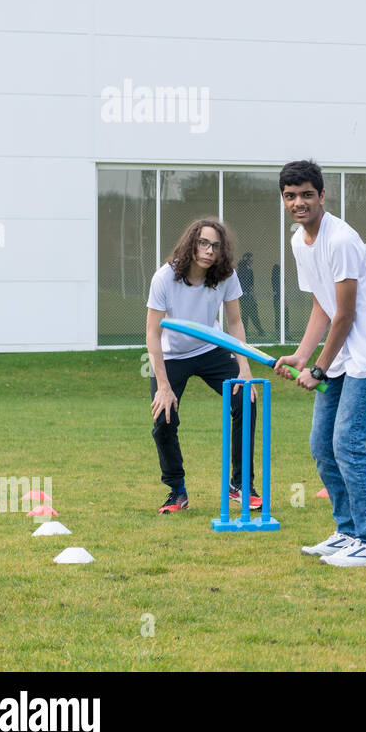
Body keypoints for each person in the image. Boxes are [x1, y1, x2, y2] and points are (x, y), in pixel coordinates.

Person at [273, 160, 366, 567]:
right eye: (290, 196)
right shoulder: (300, 242)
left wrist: (318, 368)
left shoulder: (341, 240)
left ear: (322, 196)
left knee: (348, 443)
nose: (299, 203)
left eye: (306, 195)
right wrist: (301, 355)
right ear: (284, 200)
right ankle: (347, 531)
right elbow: (322, 306)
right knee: (322, 446)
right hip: (342, 352)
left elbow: (345, 314)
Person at [145, 218, 261, 514]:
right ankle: (177, 490)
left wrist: (244, 369)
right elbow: (152, 334)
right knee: (164, 418)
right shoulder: (165, 277)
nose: (209, 251)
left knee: (244, 401)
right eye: (203, 243)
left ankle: (240, 485)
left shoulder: (225, 276)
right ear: (191, 243)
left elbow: (235, 323)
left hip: (210, 349)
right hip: (171, 355)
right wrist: (163, 386)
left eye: (216, 246)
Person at [236, 252, 265, 339]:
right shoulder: (248, 270)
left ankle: (245, 332)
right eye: (251, 259)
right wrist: (254, 295)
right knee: (254, 313)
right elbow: (251, 285)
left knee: (245, 314)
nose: (252, 260)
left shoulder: (240, 269)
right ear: (248, 260)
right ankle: (260, 331)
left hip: (242, 295)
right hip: (248, 295)